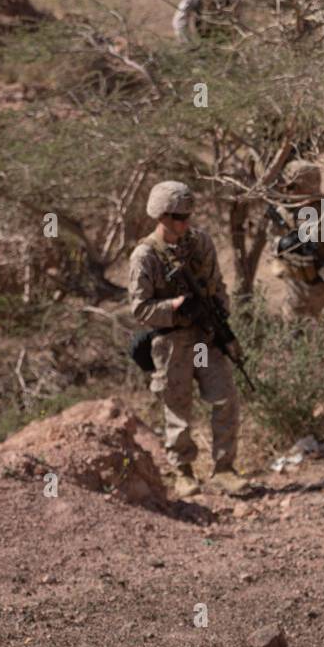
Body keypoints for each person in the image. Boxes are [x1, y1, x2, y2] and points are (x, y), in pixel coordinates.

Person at [128, 181, 244, 496]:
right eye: (178, 217)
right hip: (173, 342)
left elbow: (218, 285)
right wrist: (174, 307)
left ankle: (224, 469)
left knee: (224, 398)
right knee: (178, 408)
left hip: (204, 341)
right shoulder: (145, 256)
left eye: (187, 216)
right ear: (160, 215)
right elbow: (140, 309)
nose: (184, 223)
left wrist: (220, 316)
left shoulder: (201, 243)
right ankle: (183, 472)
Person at [269, 160, 324, 345]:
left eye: (293, 186)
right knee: (294, 342)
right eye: (287, 186)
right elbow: (272, 242)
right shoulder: (283, 212)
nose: (288, 191)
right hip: (297, 287)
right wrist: (284, 252)